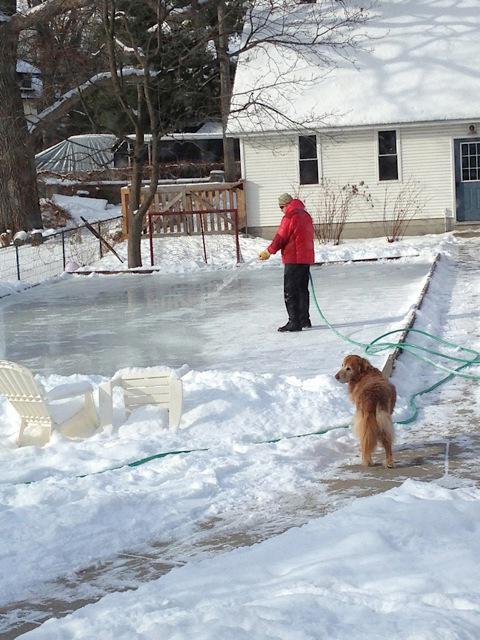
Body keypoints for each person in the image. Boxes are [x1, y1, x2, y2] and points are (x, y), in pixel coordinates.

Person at [258, 193, 315, 332]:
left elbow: (281, 237)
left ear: (285, 205)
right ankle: (304, 319)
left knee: (290, 291)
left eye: (281, 207)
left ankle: (294, 322)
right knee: (302, 289)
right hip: (305, 258)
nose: (281, 211)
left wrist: (268, 251)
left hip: (293, 259)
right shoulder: (306, 215)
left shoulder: (289, 216)